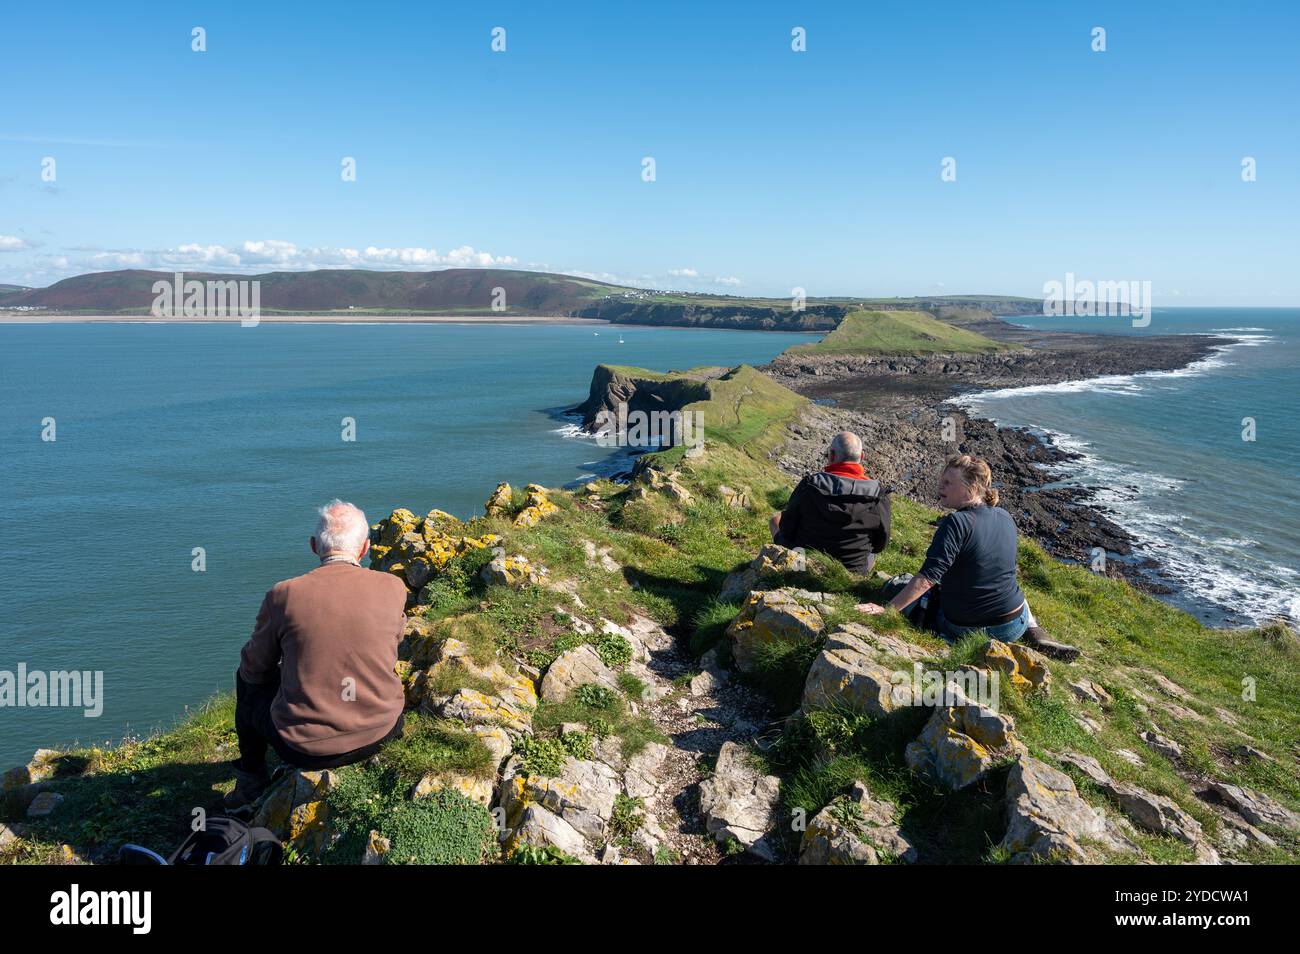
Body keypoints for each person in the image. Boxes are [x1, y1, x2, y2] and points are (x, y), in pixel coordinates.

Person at [225, 499, 408, 810]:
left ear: (313, 546)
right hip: (382, 731)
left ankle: (251, 786)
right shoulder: (393, 586)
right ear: (364, 549)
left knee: (246, 684)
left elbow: (254, 669)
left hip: (304, 749)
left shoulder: (284, 594)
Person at [858, 455, 1078, 657]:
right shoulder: (1005, 517)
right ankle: (1035, 633)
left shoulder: (956, 523)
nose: (940, 486)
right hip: (1012, 624)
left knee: (901, 588)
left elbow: (928, 577)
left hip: (966, 627)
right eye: (941, 480)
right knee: (1008, 587)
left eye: (948, 483)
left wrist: (888, 609)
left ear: (971, 489)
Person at [770, 430, 891, 575]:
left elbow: (787, 529)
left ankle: (795, 572)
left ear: (832, 455)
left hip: (805, 566)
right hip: (853, 571)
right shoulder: (878, 496)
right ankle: (856, 578)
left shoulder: (809, 485)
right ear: (862, 456)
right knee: (872, 553)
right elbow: (880, 545)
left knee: (775, 520)